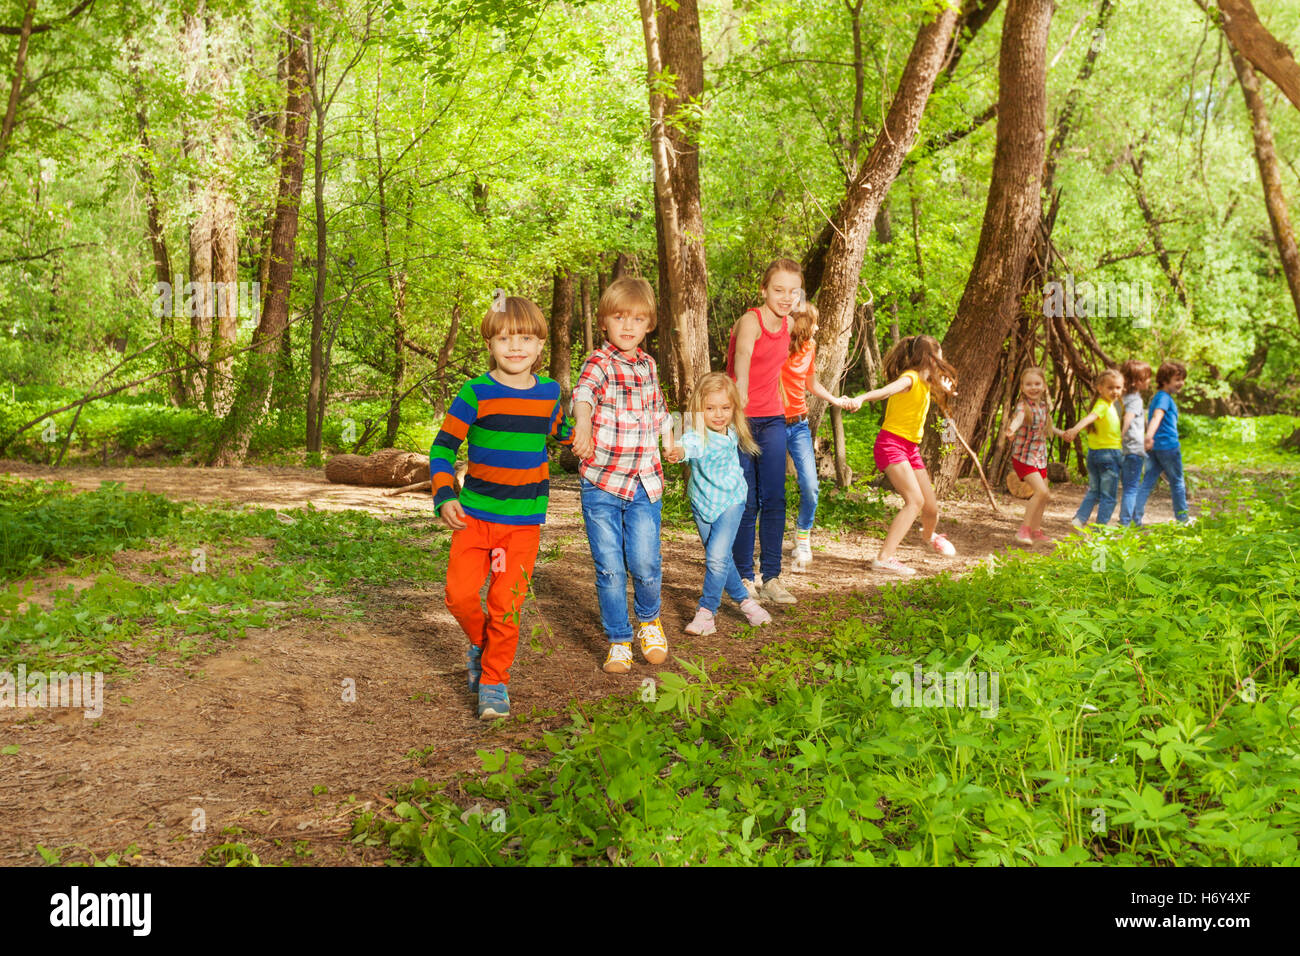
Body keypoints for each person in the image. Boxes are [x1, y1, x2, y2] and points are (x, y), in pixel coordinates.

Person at [431, 295, 574, 720]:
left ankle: (494, 681)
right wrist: (445, 495)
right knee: (458, 596)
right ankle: (482, 642)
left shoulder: (549, 393)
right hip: (474, 515)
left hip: (523, 522)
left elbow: (564, 433)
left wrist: (582, 427)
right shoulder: (476, 392)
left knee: (506, 604)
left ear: (540, 345)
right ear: (490, 344)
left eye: (526, 338)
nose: (516, 347)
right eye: (506, 338)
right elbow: (443, 447)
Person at [571, 276, 677, 675]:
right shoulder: (599, 362)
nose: (628, 326)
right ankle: (619, 638)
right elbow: (583, 396)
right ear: (604, 322)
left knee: (645, 561)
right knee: (610, 566)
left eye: (637, 318)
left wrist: (671, 440)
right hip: (601, 483)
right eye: (619, 317)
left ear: (649, 323)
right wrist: (582, 428)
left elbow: (660, 411)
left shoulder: (649, 365)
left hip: (645, 483)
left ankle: (649, 622)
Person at [665, 372, 773, 635]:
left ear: (734, 408)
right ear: (699, 408)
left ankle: (706, 613)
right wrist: (675, 450)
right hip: (702, 504)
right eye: (710, 408)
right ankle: (747, 604)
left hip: (732, 500)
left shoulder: (734, 429)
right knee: (721, 560)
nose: (718, 414)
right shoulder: (695, 434)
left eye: (725, 407)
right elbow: (683, 448)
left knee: (715, 558)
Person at [851, 335, 959, 577]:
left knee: (930, 507)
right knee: (915, 501)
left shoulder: (925, 381)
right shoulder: (909, 378)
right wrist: (862, 397)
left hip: (911, 448)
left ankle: (929, 536)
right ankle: (884, 558)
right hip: (891, 444)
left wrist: (948, 389)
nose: (942, 361)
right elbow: (885, 391)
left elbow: (943, 390)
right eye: (939, 356)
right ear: (930, 357)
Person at [727, 258, 800, 604]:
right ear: (764, 290)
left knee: (775, 497)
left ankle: (771, 577)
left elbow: (778, 369)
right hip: (741, 417)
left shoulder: (790, 323)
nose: (785, 298)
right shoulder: (750, 320)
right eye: (778, 290)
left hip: (772, 418)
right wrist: (739, 387)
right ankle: (744, 574)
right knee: (746, 499)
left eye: (792, 291)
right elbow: (743, 354)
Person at [780, 299, 860, 568]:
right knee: (768, 489)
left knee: (811, 487)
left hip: (799, 424)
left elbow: (810, 382)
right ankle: (765, 545)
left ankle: (802, 535)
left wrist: (835, 400)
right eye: (815, 322)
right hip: (772, 424)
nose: (818, 327)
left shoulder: (810, 346)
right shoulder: (775, 346)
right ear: (803, 323)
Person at [1002, 366, 1063, 544]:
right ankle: (1024, 530)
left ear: (1044, 386)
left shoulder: (1043, 406)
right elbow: (1018, 420)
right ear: (1022, 387)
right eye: (1029, 384)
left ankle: (1036, 531)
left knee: (1044, 495)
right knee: (1041, 491)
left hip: (1039, 457)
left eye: (1037, 383)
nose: (1033, 387)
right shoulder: (1023, 407)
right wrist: (1011, 430)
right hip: (1024, 457)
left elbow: (1048, 427)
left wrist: (1063, 433)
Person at [1132, 360, 1194, 527]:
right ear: (1165, 381)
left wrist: (1150, 439)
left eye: (1182, 379)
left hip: (1156, 447)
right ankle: (1183, 519)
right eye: (1177, 379)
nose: (1181, 383)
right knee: (1177, 482)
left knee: (1147, 482)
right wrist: (1148, 436)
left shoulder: (1157, 397)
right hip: (1168, 446)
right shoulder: (1164, 398)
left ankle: (1133, 519)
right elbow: (1157, 416)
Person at [1064, 368, 1124, 530]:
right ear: (1100, 388)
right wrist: (1075, 430)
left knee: (1095, 491)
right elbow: (1090, 418)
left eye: (1118, 387)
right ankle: (1100, 531)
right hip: (1109, 455)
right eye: (1110, 387)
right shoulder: (1103, 405)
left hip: (1095, 454)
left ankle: (1079, 519)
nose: (1115, 391)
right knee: (1108, 497)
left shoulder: (1109, 405)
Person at [1118, 359, 1152, 527]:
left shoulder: (1119, 397)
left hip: (1122, 450)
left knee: (1127, 487)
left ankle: (1127, 521)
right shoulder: (1135, 400)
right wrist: (1120, 437)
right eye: (1147, 378)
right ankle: (1128, 523)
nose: (1149, 381)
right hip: (1132, 450)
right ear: (1137, 381)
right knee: (1131, 488)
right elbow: (1128, 419)